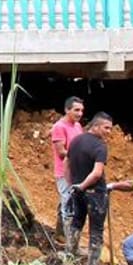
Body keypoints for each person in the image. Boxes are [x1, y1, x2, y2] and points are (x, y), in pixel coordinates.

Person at [64, 113, 114, 265]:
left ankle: (68, 260)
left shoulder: (76, 141)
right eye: (106, 128)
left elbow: (67, 164)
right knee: (96, 231)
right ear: (96, 126)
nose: (109, 132)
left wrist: (73, 186)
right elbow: (97, 173)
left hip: (78, 192)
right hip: (95, 194)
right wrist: (84, 186)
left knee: (76, 224)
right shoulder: (100, 146)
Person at [50, 96, 86, 240]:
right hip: (64, 172)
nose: (80, 113)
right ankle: (70, 242)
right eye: (76, 110)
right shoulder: (59, 127)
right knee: (69, 206)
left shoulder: (77, 126)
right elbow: (61, 152)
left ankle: (60, 235)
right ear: (67, 110)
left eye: (82, 110)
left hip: (76, 171)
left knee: (67, 202)